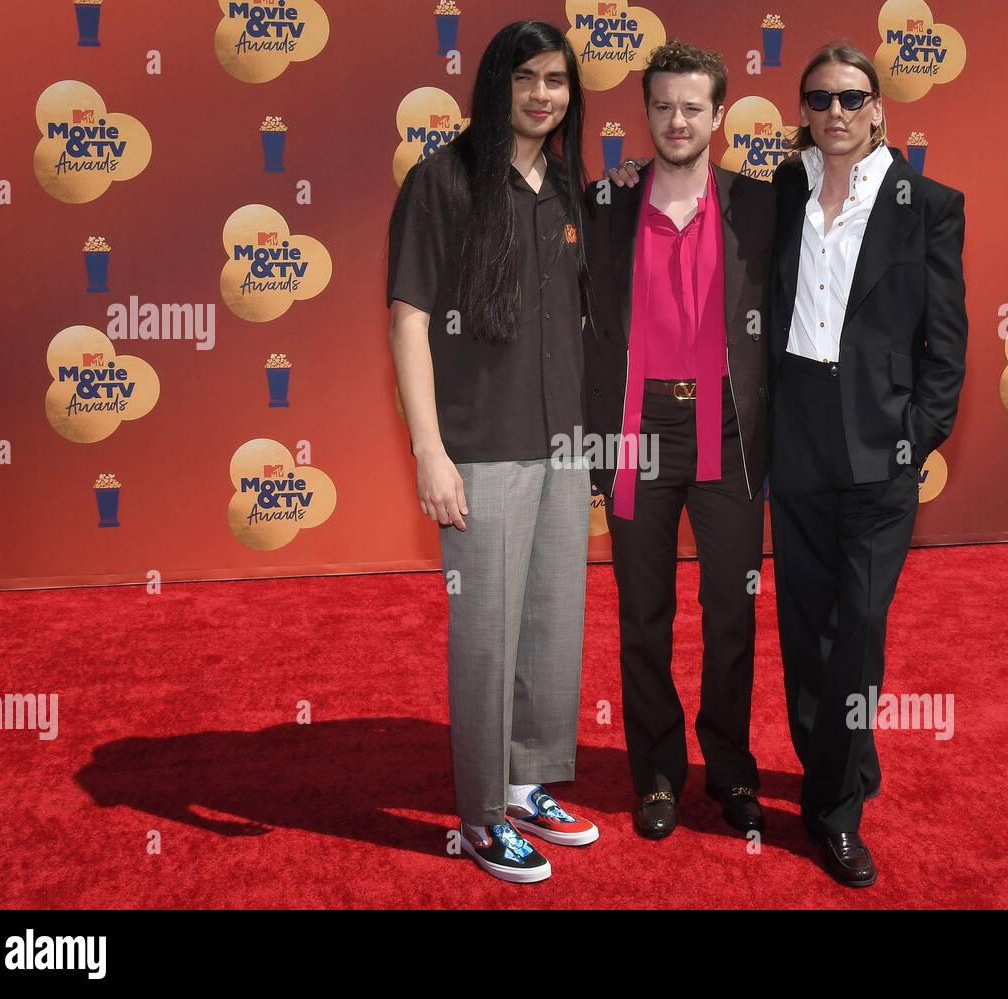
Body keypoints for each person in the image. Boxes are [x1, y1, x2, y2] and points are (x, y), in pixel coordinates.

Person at [387, 20, 599, 884]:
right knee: (486, 636)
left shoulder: (566, 186)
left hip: (563, 443)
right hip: (480, 445)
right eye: (526, 79)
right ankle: (477, 818)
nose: (543, 94)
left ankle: (524, 783)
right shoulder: (441, 181)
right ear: (494, 84)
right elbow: (407, 321)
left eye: (556, 80)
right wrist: (429, 452)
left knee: (551, 628)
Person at [767, 43, 968, 887]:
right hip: (796, 430)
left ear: (879, 107)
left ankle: (836, 811)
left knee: (859, 622)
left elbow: (947, 343)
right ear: (805, 111)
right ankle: (840, 761)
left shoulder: (931, 204)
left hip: (881, 442)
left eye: (852, 97)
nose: (837, 112)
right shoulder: (781, 189)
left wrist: (914, 436)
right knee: (805, 621)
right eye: (820, 99)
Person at [584, 40, 775, 839]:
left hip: (728, 429)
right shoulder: (602, 205)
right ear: (646, 113)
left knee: (732, 610)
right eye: (662, 105)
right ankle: (657, 773)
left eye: (693, 106)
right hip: (635, 430)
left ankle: (729, 771)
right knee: (644, 611)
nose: (677, 120)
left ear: (720, 115)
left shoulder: (762, 204)